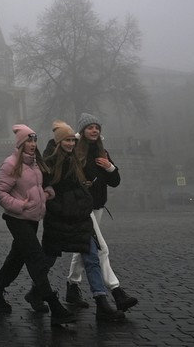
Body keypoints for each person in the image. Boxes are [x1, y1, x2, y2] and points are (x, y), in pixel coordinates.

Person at [0, 125, 76, 325]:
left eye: (34, 140)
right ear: (20, 143)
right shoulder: (10, 164)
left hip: (32, 219)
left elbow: (41, 186)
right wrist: (20, 205)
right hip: (17, 219)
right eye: (28, 141)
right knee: (36, 258)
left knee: (16, 259)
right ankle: (54, 305)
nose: (32, 144)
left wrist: (46, 194)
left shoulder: (36, 164)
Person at [41, 121, 125, 322]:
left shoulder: (80, 158)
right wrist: (58, 203)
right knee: (48, 259)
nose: (71, 143)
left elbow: (110, 181)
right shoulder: (51, 162)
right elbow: (47, 187)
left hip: (81, 215)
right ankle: (38, 291)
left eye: (72, 140)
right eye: (67, 140)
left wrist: (107, 169)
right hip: (59, 218)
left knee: (92, 254)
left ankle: (101, 301)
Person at [64, 112, 139, 311]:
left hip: (97, 206)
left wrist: (109, 167)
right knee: (101, 248)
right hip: (81, 207)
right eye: (90, 127)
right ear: (82, 131)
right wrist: (81, 183)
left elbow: (115, 182)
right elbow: (66, 177)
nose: (94, 130)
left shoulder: (102, 152)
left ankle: (72, 287)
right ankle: (116, 291)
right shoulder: (75, 151)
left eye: (97, 127)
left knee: (83, 247)